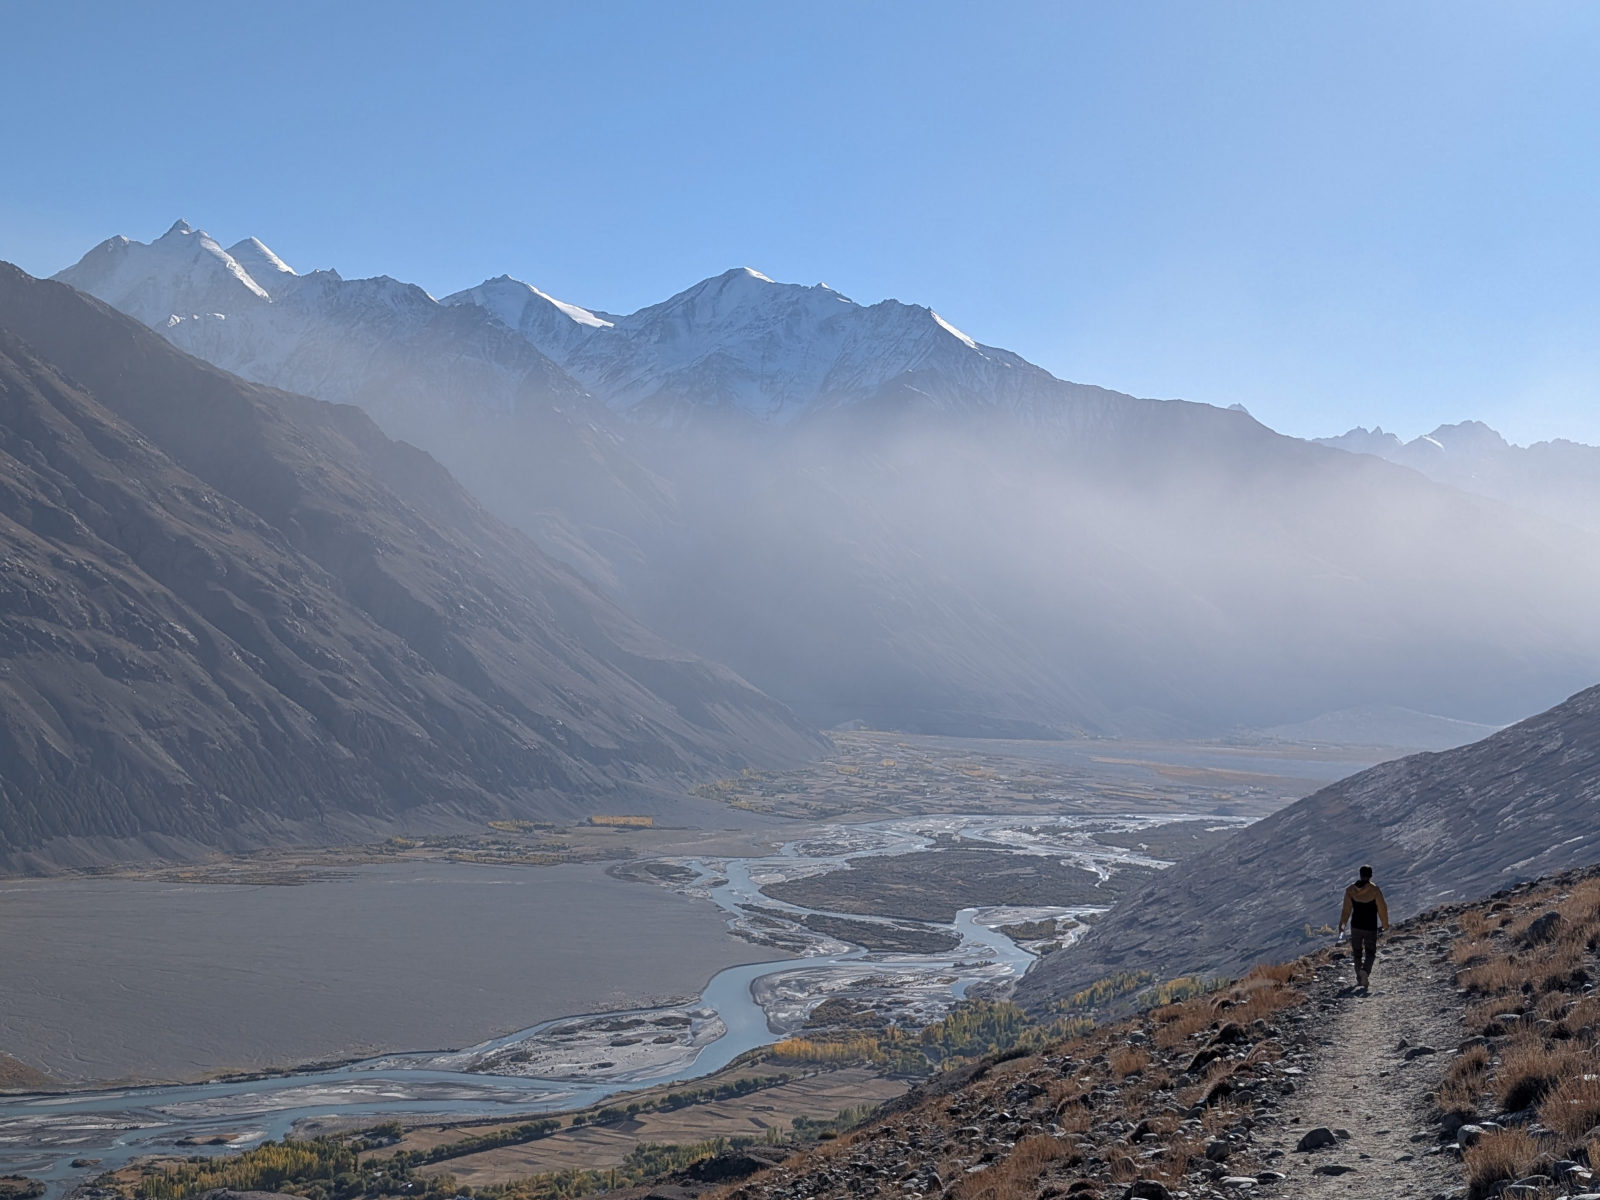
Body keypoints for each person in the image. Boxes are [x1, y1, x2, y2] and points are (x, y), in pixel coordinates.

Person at [1338, 865, 1389, 990]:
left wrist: (1342, 926)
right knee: (1370, 952)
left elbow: (1346, 910)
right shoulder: (1375, 890)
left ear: (1360, 875)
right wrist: (1385, 925)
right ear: (1371, 875)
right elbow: (1382, 908)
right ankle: (1365, 972)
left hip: (1356, 926)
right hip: (1370, 926)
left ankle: (1359, 977)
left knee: (1357, 953)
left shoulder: (1350, 890)